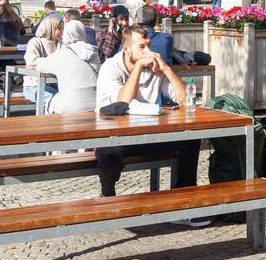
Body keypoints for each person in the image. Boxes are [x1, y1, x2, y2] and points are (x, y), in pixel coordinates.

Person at [95, 26, 202, 219]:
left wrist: (167, 69)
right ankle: (108, 196)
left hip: (147, 134)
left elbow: (186, 100)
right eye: (141, 47)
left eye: (148, 46)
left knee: (190, 139)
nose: (148, 51)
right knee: (107, 150)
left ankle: (182, 205)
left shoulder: (155, 67)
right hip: (115, 136)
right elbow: (122, 103)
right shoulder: (110, 68)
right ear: (127, 48)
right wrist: (136, 68)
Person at [35, 19, 101, 114]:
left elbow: (40, 66)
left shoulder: (62, 54)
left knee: (51, 102)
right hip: (96, 103)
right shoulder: (93, 51)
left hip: (70, 105)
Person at [23, 14, 64, 101]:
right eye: (59, 28)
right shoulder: (34, 42)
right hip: (34, 85)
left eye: (63, 29)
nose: (62, 32)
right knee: (55, 99)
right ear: (50, 27)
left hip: (56, 83)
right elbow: (32, 62)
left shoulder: (61, 43)